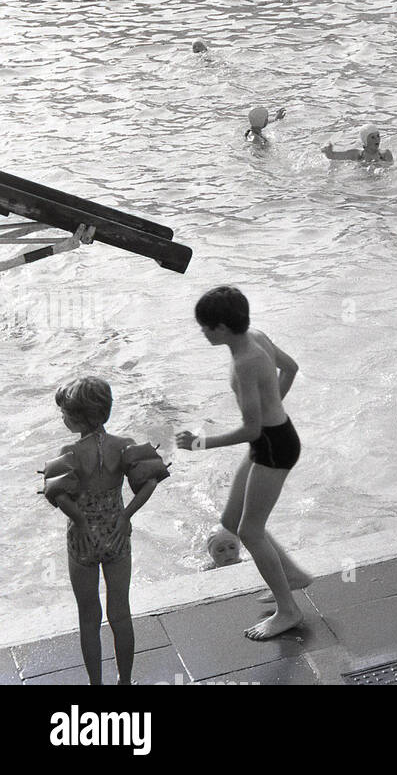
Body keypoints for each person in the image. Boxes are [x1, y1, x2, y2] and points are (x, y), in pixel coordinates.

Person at [176, 286, 311, 640]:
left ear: (222, 328)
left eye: (205, 327)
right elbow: (291, 368)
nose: (203, 332)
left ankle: (288, 611)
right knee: (231, 520)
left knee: (250, 531)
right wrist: (274, 410)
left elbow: (251, 429)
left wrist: (200, 443)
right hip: (276, 436)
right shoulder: (257, 337)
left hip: (272, 447)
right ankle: (293, 576)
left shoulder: (244, 363)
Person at [40, 377, 168, 684]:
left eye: (65, 413)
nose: (62, 417)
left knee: (89, 616)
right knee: (120, 613)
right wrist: (126, 515)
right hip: (116, 535)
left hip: (83, 540)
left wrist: (82, 521)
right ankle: (125, 680)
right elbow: (150, 480)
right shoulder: (123, 445)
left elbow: (59, 495)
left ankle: (96, 684)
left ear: (78, 418)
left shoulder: (69, 452)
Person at [322, 125, 393, 165]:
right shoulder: (357, 155)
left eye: (378, 135)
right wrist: (328, 150)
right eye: (372, 137)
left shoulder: (385, 154)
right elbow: (332, 156)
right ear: (365, 140)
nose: (377, 139)